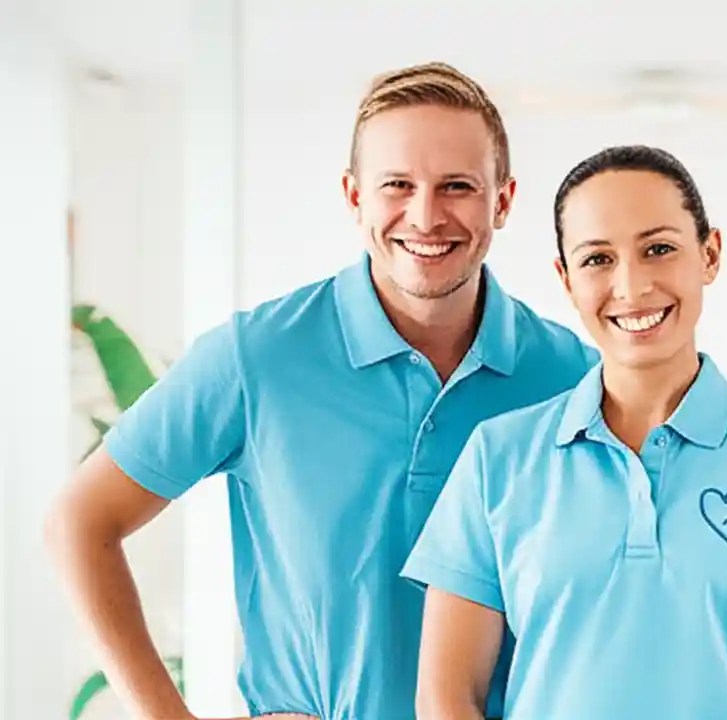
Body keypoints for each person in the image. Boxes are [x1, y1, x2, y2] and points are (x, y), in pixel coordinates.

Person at [44, 62, 597, 720]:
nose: (426, 216)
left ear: (501, 201)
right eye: (397, 185)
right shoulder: (256, 358)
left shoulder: (572, 377)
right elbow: (79, 523)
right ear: (354, 196)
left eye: (457, 186)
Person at [402, 145, 727, 719]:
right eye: (597, 259)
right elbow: (447, 700)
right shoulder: (498, 458)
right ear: (565, 279)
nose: (631, 287)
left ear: (709, 254)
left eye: (658, 249)